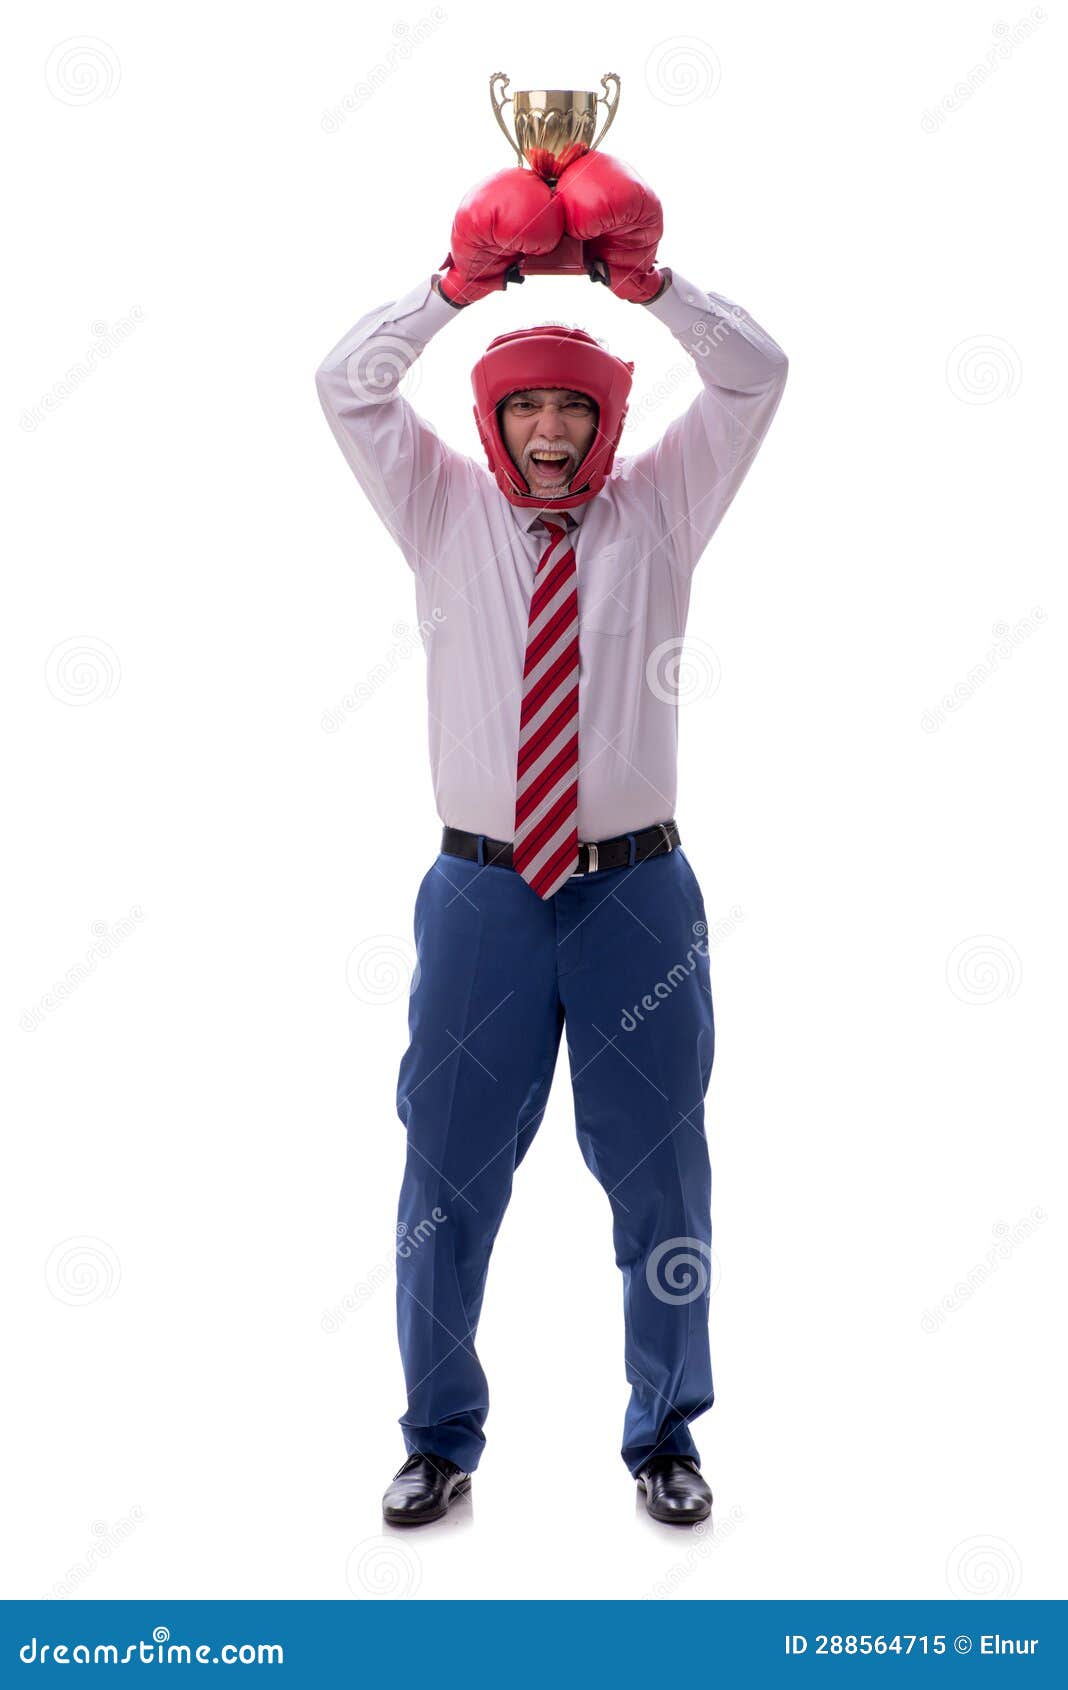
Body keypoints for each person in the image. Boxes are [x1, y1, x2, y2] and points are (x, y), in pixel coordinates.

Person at [314, 152, 788, 1526]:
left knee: (661, 1173)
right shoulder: (440, 508)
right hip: (480, 898)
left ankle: (666, 1433)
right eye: (521, 407)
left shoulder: (662, 507)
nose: (544, 433)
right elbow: (347, 383)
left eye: (570, 410)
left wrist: (655, 287)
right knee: (443, 1173)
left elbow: (756, 375)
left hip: (637, 894)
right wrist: (460, 286)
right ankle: (437, 1432)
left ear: (606, 418)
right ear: (490, 415)